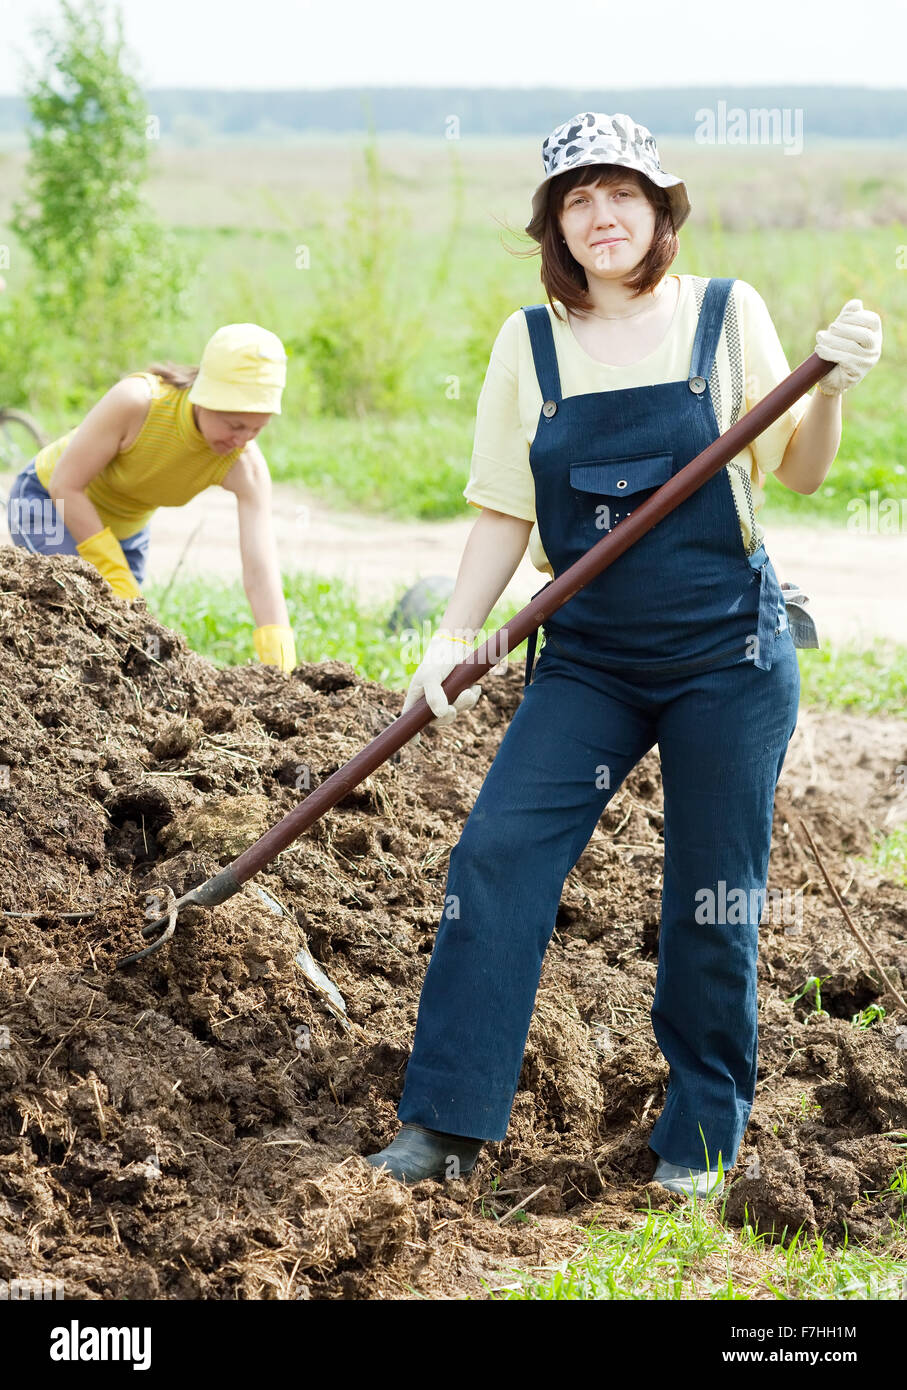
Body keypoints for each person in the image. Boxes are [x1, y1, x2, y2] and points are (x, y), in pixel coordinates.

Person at [367, 112, 882, 1196]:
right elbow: (506, 511)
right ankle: (445, 1125)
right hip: (590, 659)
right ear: (555, 224)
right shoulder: (531, 342)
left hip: (726, 659)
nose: (601, 215)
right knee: (497, 857)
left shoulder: (723, 314)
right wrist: (457, 635)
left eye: (621, 194)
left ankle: (698, 1137)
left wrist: (825, 388)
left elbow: (797, 474)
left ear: (659, 209)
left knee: (710, 890)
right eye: (577, 199)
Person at [6, 323, 297, 671]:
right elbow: (65, 485)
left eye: (256, 429)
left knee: (127, 646)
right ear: (204, 396)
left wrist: (280, 659)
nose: (243, 440)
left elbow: (260, 568)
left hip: (123, 535)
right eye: (235, 425)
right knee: (73, 607)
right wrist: (111, 570)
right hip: (47, 503)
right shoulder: (138, 402)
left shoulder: (244, 464)